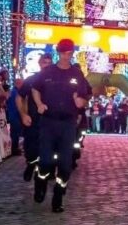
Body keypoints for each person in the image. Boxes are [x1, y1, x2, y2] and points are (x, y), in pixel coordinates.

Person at [31, 40, 91, 213]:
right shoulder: (48, 72)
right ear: (58, 53)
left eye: (69, 53)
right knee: (46, 161)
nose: (67, 56)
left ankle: (58, 195)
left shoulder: (77, 73)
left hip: (68, 123)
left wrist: (81, 101)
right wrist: (39, 103)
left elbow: (86, 94)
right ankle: (40, 180)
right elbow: (35, 88)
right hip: (48, 121)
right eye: (64, 53)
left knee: (65, 164)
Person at [17, 53, 53, 182]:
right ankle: (31, 164)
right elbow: (19, 97)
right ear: (39, 64)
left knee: (50, 147)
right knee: (31, 147)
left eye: (49, 63)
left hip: (51, 120)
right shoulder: (31, 80)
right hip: (33, 119)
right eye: (44, 63)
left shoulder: (56, 80)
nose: (46, 66)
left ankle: (47, 170)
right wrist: (23, 114)